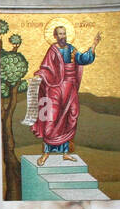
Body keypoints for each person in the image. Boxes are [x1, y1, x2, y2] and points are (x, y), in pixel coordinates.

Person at [31, 22, 102, 166]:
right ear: (55, 36)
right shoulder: (52, 50)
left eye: (64, 34)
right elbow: (46, 67)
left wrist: (94, 45)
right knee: (51, 118)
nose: (63, 36)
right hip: (55, 88)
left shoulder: (71, 49)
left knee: (71, 115)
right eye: (60, 34)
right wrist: (40, 76)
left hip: (70, 87)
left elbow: (83, 59)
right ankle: (46, 153)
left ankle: (65, 153)